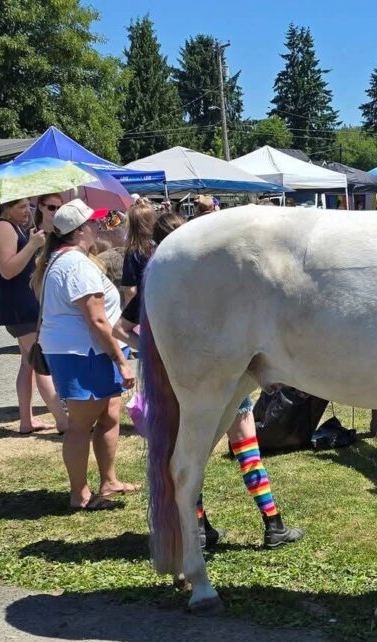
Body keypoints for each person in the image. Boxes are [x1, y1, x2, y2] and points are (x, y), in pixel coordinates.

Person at [115, 212, 306, 549]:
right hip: (226, 369)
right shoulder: (210, 272)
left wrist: (157, 353)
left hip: (185, 376)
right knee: (246, 450)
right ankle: (272, 522)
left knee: (192, 448)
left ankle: (200, 528)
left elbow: (121, 328)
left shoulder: (157, 277)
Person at [36, 199, 136, 511]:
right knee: (80, 425)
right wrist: (122, 362)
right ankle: (79, 494)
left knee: (109, 415)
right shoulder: (76, 265)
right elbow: (96, 320)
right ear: (80, 231)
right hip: (84, 352)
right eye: (92, 223)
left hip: (86, 351)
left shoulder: (63, 259)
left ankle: (109, 480)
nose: (96, 226)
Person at [0, 198, 67, 436]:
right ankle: (63, 421)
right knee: (39, 360)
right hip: (18, 306)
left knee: (28, 363)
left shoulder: (14, 227)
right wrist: (32, 245)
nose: (27, 211)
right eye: (21, 207)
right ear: (6, 208)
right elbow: (8, 270)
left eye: (28, 206)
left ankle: (26, 420)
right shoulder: (3, 227)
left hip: (22, 303)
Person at [118, 201, 156, 308]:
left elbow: (131, 290)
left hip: (143, 307)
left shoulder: (133, 252)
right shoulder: (161, 246)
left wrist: (128, 315)